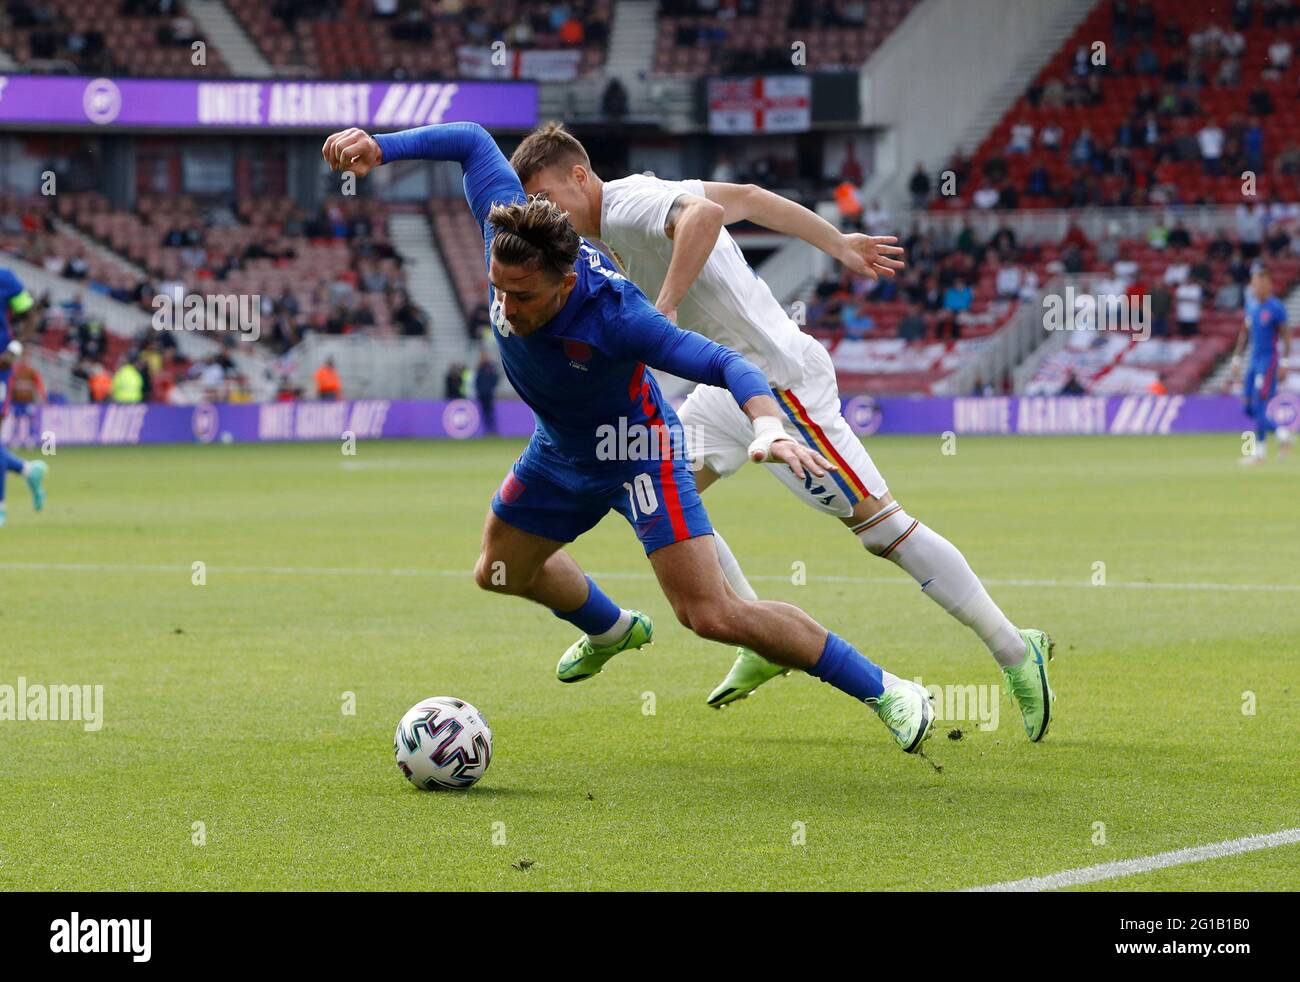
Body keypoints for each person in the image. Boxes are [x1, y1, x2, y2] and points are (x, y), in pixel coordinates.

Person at [322, 122, 940, 755]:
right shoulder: (509, 236)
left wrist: (768, 426)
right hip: (561, 450)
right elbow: (473, 141)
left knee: (711, 616)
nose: (505, 306)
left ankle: (888, 689)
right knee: (500, 571)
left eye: (522, 296)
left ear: (565, 287)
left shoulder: (618, 316)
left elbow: (728, 364)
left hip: (639, 452)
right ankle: (610, 629)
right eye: (497, 287)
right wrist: (380, 148)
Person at [501, 121, 1055, 738]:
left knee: (882, 531)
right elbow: (748, 198)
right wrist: (837, 242)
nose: (545, 214)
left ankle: (1013, 648)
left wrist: (665, 306)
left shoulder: (627, 205)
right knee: (662, 494)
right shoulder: (630, 206)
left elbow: (708, 216)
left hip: (781, 387)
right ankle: (758, 635)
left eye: (547, 198)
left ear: (580, 176)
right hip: (726, 391)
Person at [0, 269, 48, 528]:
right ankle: (28, 471)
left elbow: (30, 316)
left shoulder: (6, 278)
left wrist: (14, 348)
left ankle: (1, 509)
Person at [1231, 264, 1293, 464]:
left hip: (1268, 361)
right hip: (1253, 361)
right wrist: (1236, 358)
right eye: (1253, 284)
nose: (1255, 287)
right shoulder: (1251, 305)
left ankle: (1259, 453)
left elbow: (1286, 335)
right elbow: (1245, 332)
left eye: (1259, 284)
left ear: (1268, 285)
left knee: (1260, 404)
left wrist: (1284, 362)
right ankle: (1283, 435)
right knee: (1248, 408)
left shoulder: (1276, 307)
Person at [474, 353, 499, 434]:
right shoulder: (480, 368)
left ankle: (492, 430)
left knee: (489, 412)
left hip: (488, 393)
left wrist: (491, 387)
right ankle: (486, 430)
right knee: (484, 412)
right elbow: (477, 381)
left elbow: (495, 378)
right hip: (482, 394)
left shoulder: (490, 368)